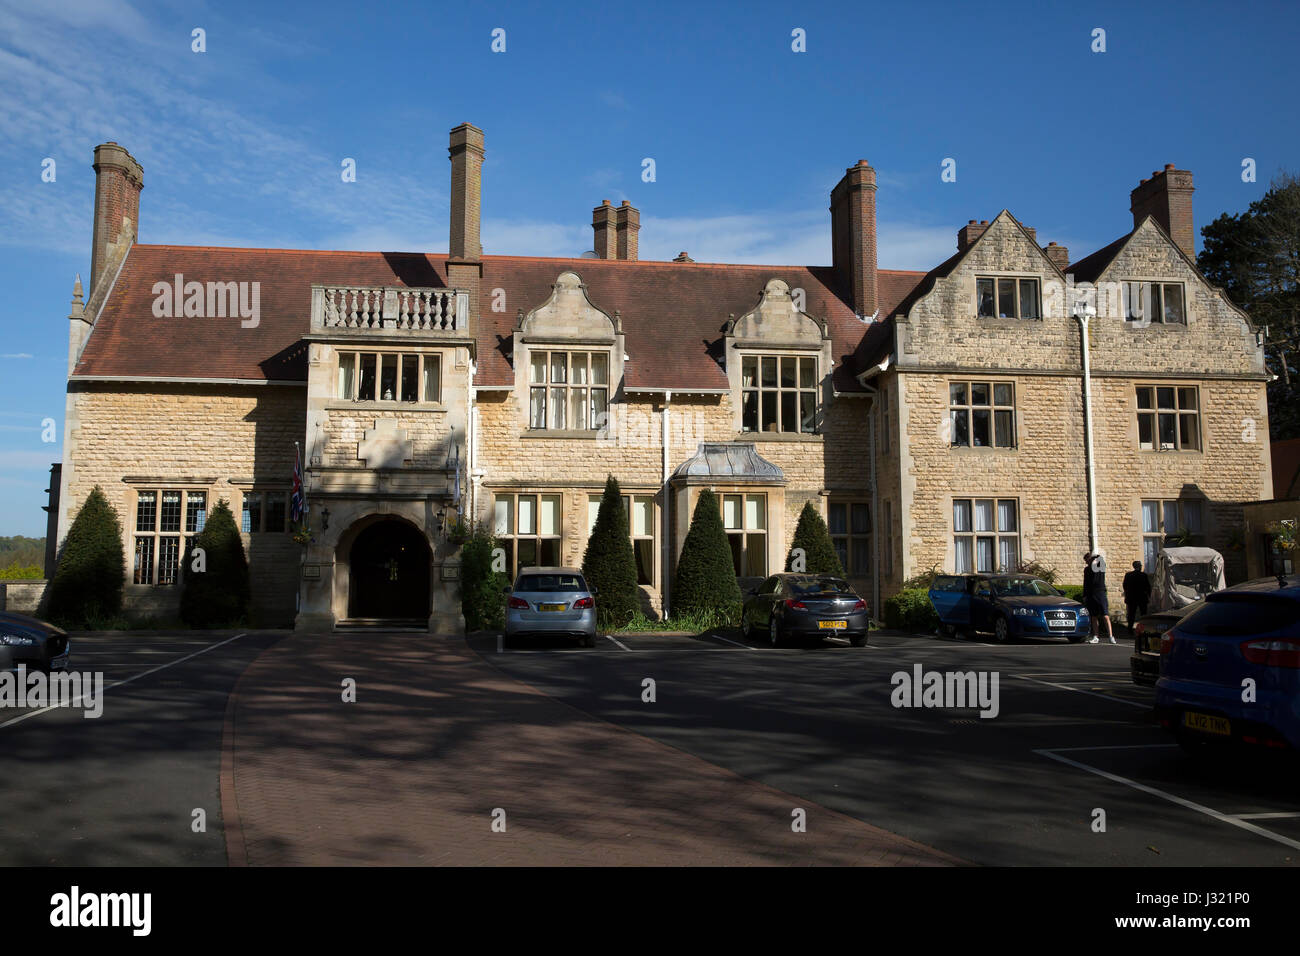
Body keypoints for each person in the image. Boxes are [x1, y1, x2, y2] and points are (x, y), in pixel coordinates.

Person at [1083, 552, 1114, 644]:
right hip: (1091, 594)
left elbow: (1101, 559)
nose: (1086, 562)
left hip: (1100, 593)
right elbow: (1086, 583)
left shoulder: (1100, 567)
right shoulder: (1087, 570)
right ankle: (1096, 636)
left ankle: (1111, 636)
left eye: (1087, 560)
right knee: (1093, 616)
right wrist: (1085, 595)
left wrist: (1094, 557)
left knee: (1105, 615)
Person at [1122, 560, 1151, 634]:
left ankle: (1130, 629)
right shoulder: (1143, 575)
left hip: (1131, 598)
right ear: (1139, 566)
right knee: (1143, 614)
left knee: (1131, 614)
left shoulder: (1128, 575)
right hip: (1142, 597)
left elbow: (1125, 586)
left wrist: (1127, 594)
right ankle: (1143, 628)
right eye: (1141, 566)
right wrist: (1149, 596)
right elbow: (1147, 587)